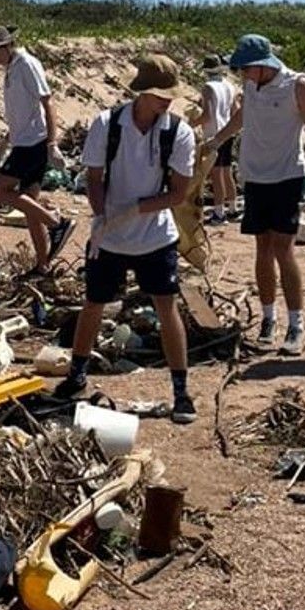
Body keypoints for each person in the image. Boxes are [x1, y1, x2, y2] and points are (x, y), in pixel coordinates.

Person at [55, 57, 198, 425]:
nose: (167, 101)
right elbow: (94, 178)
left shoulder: (178, 132)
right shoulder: (107, 124)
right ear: (142, 92)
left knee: (166, 306)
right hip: (110, 237)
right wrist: (103, 216)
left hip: (156, 236)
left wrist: (138, 209)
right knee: (94, 303)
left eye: (170, 94)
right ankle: (76, 374)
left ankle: (181, 391)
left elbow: (178, 193)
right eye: (159, 94)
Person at [216, 34, 305, 354]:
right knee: (262, 247)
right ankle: (268, 318)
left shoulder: (297, 85)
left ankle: (296, 324)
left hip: (286, 175)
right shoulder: (251, 85)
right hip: (255, 177)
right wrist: (215, 141)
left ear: (263, 65)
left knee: (283, 248)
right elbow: (242, 117)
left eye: (246, 68)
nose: (242, 74)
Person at [0, 27, 72, 270]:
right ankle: (42, 265)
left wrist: (52, 143)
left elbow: (47, 102)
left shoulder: (27, 64)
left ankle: (56, 223)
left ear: (8, 46)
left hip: (33, 142)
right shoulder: (11, 69)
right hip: (22, 140)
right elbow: (20, 112)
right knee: (30, 204)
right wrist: (4, 144)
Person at [198, 53, 238, 224]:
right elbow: (235, 111)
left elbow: (206, 115)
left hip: (213, 133)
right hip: (228, 131)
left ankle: (219, 213)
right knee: (227, 172)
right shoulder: (229, 86)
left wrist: (191, 123)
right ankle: (232, 209)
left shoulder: (208, 88)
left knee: (216, 174)